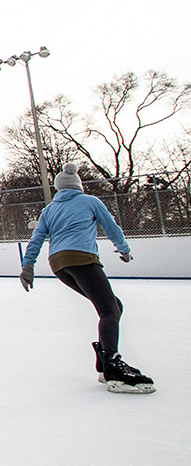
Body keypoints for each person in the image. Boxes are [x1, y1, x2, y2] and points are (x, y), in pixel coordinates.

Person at [20, 163, 154, 393]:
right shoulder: (90, 202)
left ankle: (104, 360)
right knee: (109, 311)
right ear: (78, 186)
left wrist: (28, 266)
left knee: (114, 305)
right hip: (82, 259)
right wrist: (124, 249)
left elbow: (36, 239)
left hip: (60, 265)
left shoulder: (49, 210)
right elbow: (111, 228)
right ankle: (112, 366)